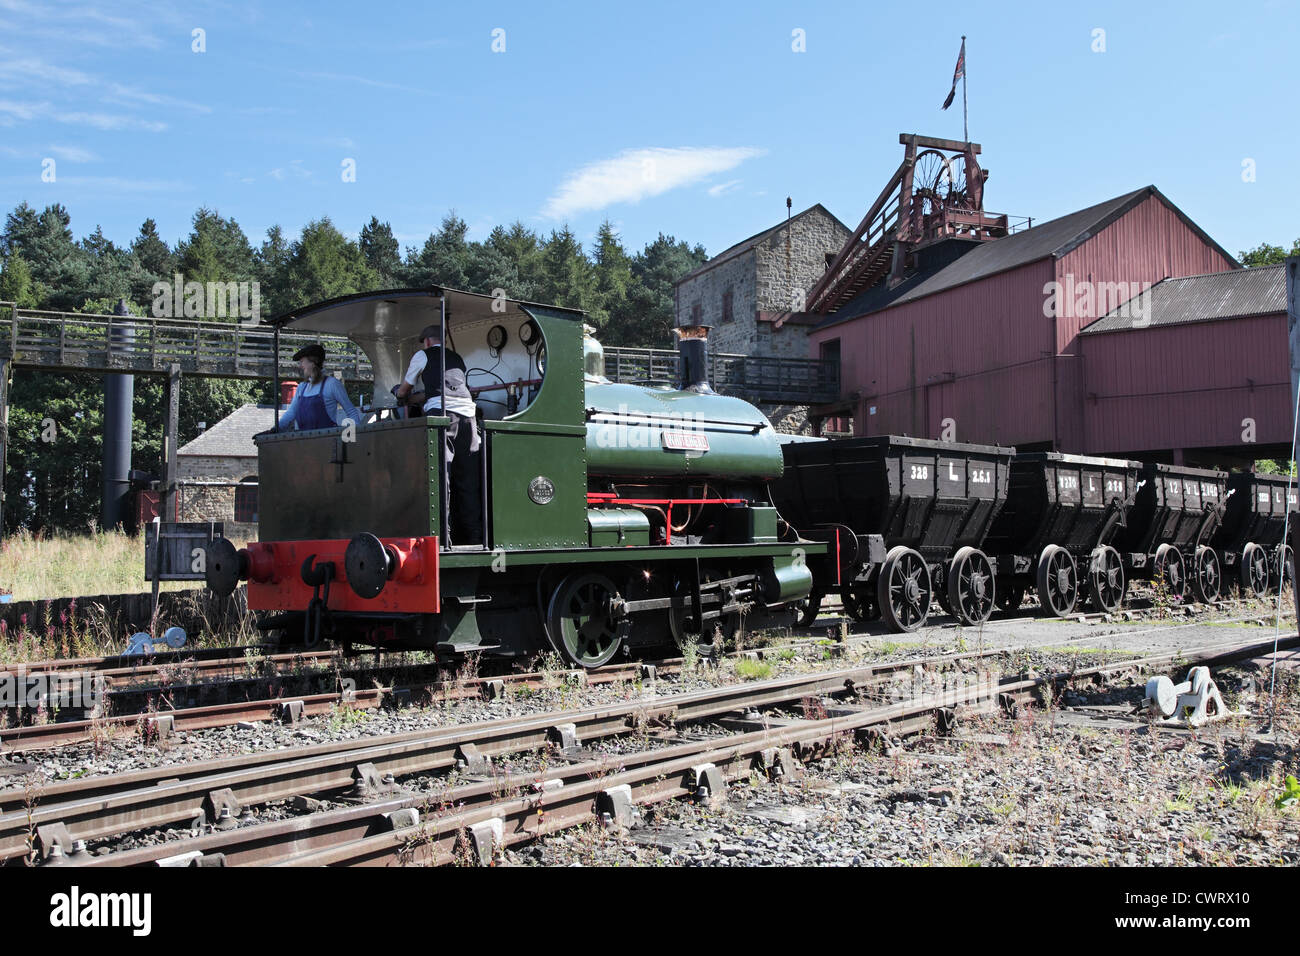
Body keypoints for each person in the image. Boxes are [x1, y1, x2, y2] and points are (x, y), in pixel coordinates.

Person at [395, 324, 482, 546]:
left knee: (442, 478)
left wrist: (400, 394)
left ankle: (445, 540)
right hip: (469, 417)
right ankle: (475, 537)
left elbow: (404, 391)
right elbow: (449, 389)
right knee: (467, 479)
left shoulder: (422, 356)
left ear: (426, 341)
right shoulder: (457, 358)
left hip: (444, 418)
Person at [273, 344, 364, 432]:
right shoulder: (301, 387)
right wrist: (275, 429)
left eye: (302, 362)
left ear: (313, 362)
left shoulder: (332, 384)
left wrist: (353, 439)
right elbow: (291, 413)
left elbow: (351, 412)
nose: (300, 366)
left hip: (327, 441)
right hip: (304, 442)